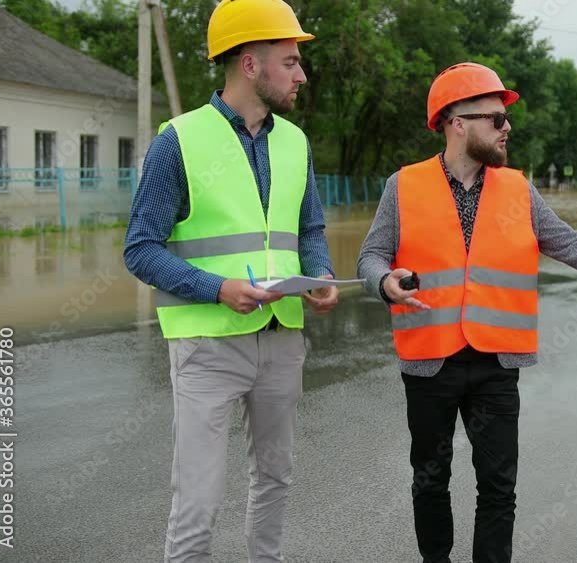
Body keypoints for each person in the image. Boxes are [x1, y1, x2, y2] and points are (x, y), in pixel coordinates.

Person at [356, 62, 577, 563]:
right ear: (458, 122)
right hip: (429, 361)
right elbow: (371, 254)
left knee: (498, 489)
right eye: (497, 119)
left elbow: (568, 244)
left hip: (496, 365)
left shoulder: (517, 189)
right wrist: (383, 281)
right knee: (430, 480)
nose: (508, 128)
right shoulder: (404, 186)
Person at [122, 1, 338, 560]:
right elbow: (140, 250)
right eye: (290, 62)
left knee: (275, 479)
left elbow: (309, 226)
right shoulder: (180, 140)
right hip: (208, 346)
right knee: (197, 499)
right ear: (249, 64)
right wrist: (217, 289)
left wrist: (321, 275)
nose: (301, 74)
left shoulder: (295, 142)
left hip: (282, 336)